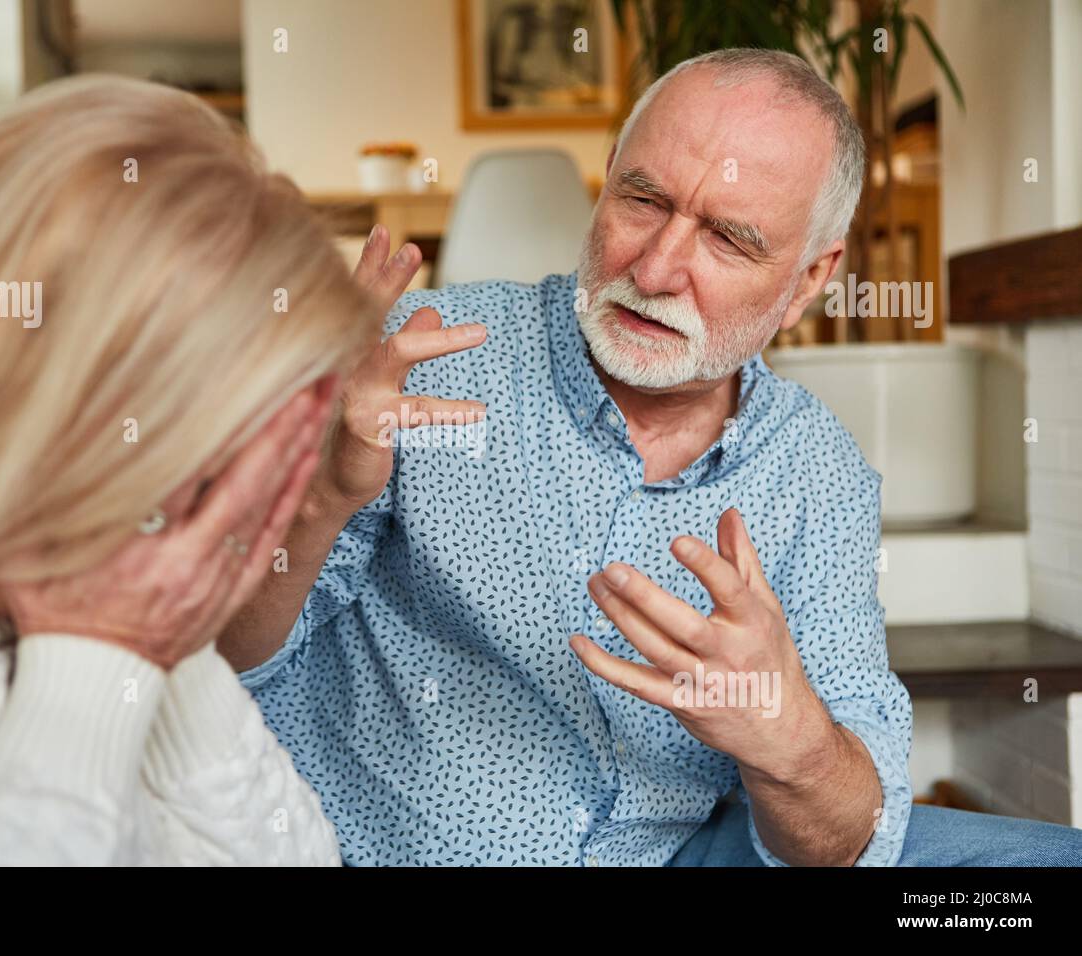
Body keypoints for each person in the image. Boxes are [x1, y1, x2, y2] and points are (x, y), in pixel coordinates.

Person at [223, 49, 1082, 866]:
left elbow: (839, 845)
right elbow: (229, 655)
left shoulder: (817, 472)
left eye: (729, 240)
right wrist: (322, 493)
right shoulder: (419, 358)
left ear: (810, 281)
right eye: (642, 199)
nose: (659, 266)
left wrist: (791, 743)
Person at [0, 74, 379, 865]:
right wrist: (95, 664)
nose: (237, 498)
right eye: (212, 452)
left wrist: (172, 643)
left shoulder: (83, 570)